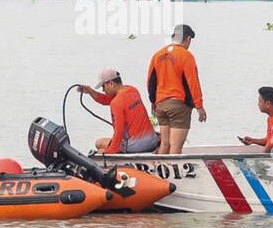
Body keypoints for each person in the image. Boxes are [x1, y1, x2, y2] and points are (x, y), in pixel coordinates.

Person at [146, 24, 206, 154]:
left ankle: (158, 174)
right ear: (188, 39)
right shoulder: (186, 55)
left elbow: (151, 81)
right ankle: (174, 172)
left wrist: (153, 101)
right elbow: (193, 82)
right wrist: (199, 106)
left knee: (165, 145)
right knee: (176, 147)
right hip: (178, 106)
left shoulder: (157, 55)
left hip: (161, 105)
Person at [79, 68, 160, 154]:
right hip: (152, 141)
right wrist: (90, 91)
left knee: (99, 143)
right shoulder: (132, 90)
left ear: (111, 83)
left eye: (103, 86)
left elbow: (119, 131)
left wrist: (109, 151)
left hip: (136, 146)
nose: (103, 90)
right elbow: (106, 100)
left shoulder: (116, 103)